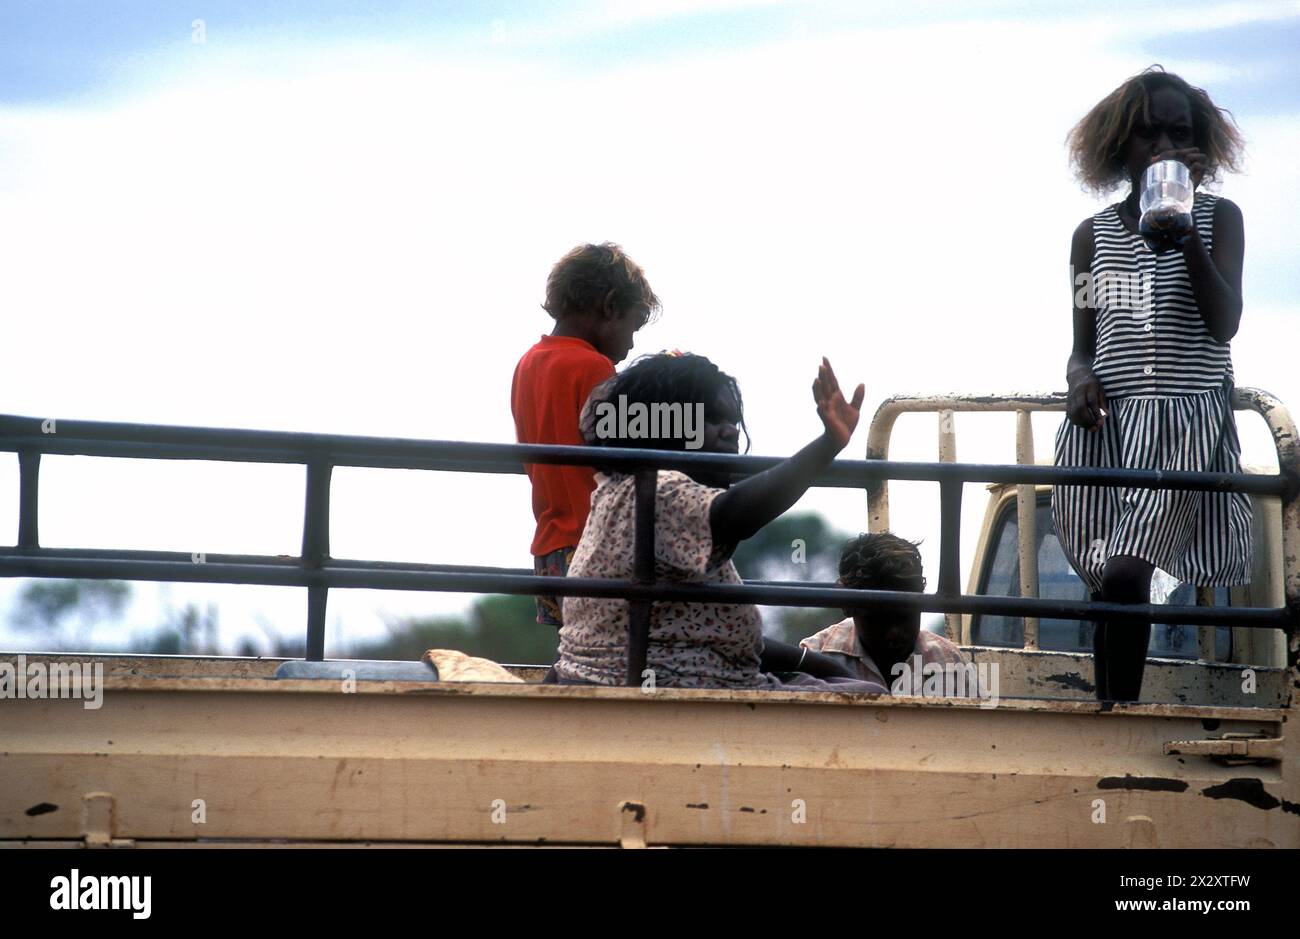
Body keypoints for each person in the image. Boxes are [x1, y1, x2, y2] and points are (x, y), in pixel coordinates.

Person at [1053, 66, 1251, 702]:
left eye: (1178, 134)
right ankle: (1108, 711)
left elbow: (1224, 324)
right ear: (1119, 148)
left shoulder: (1221, 219)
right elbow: (1081, 350)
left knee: (1127, 569)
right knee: (1108, 578)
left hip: (1181, 429)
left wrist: (1181, 220)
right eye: (1147, 137)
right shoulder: (1093, 236)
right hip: (1107, 430)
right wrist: (1080, 381)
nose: (1162, 148)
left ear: (1201, 148)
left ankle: (1118, 712)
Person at [554, 352, 885, 693]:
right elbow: (736, 514)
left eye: (732, 421)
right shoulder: (658, 490)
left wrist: (815, 664)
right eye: (709, 419)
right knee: (872, 697)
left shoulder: (625, 489)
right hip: (678, 688)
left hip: (675, 677)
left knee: (841, 682)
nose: (728, 431)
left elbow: (707, 631)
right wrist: (827, 445)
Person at [511, 242, 660, 628]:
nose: (630, 345)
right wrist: (665, 390)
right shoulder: (593, 367)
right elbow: (625, 452)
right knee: (622, 656)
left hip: (549, 547)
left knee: (577, 654)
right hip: (597, 546)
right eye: (632, 326)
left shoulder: (528, 363)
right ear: (610, 307)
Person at [800, 532, 974, 696]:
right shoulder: (815, 656)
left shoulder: (949, 661)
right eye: (880, 620)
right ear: (848, 608)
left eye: (906, 616)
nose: (894, 633)